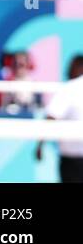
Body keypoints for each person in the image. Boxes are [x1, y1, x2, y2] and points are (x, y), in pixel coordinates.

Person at [39, 54, 83, 182]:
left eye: (71, 67)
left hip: (73, 161)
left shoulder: (70, 88)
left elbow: (51, 117)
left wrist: (40, 145)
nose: (67, 71)